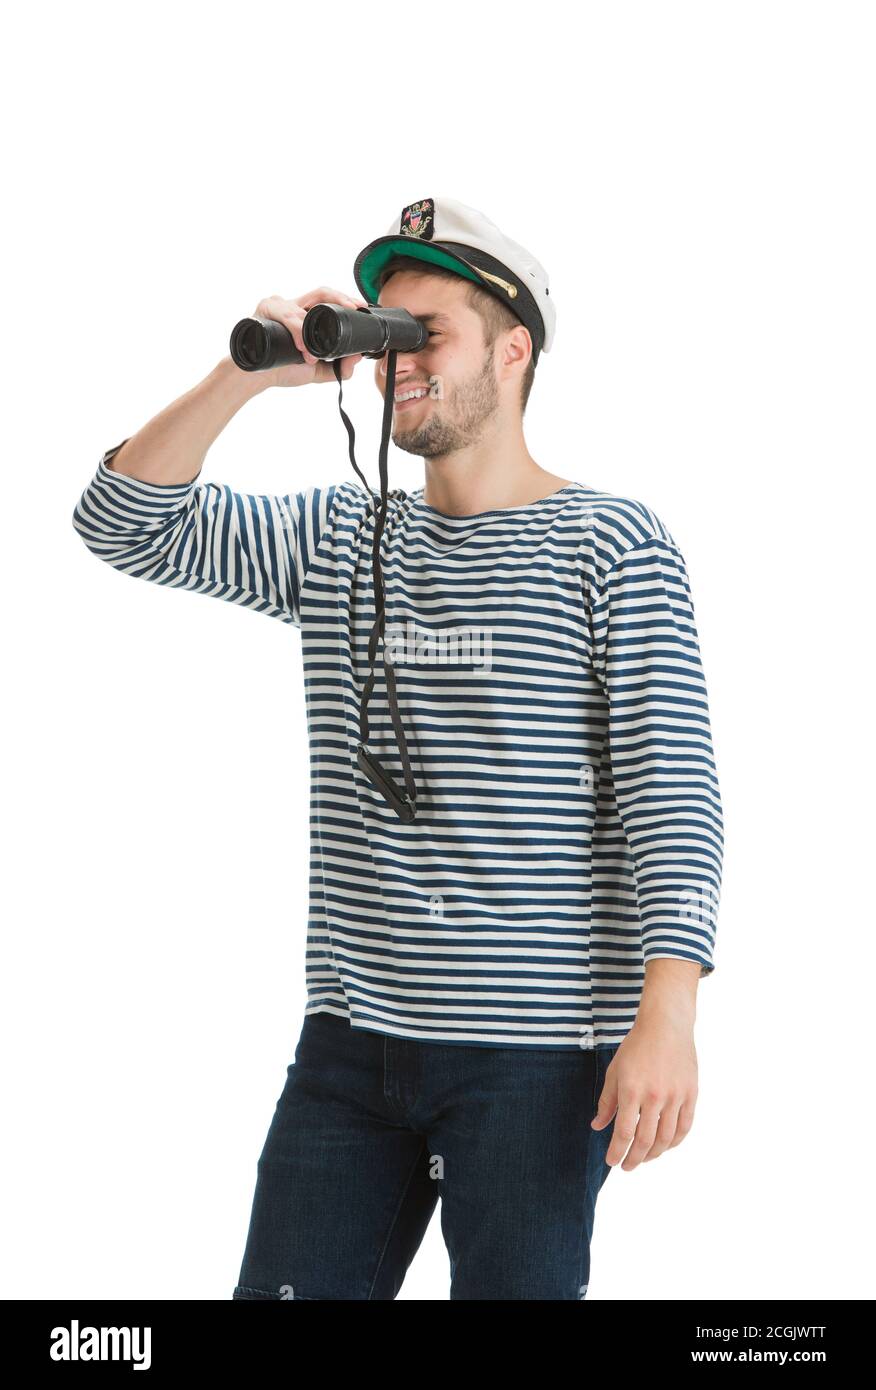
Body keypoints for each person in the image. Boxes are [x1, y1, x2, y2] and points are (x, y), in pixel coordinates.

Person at [71, 196, 723, 1301]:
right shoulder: (338, 535)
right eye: (384, 333)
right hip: (349, 1046)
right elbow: (121, 521)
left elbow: (671, 792)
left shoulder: (611, 542)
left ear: (514, 352)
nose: (398, 359)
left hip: (535, 1060)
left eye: (429, 333)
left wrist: (669, 1018)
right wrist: (253, 372)